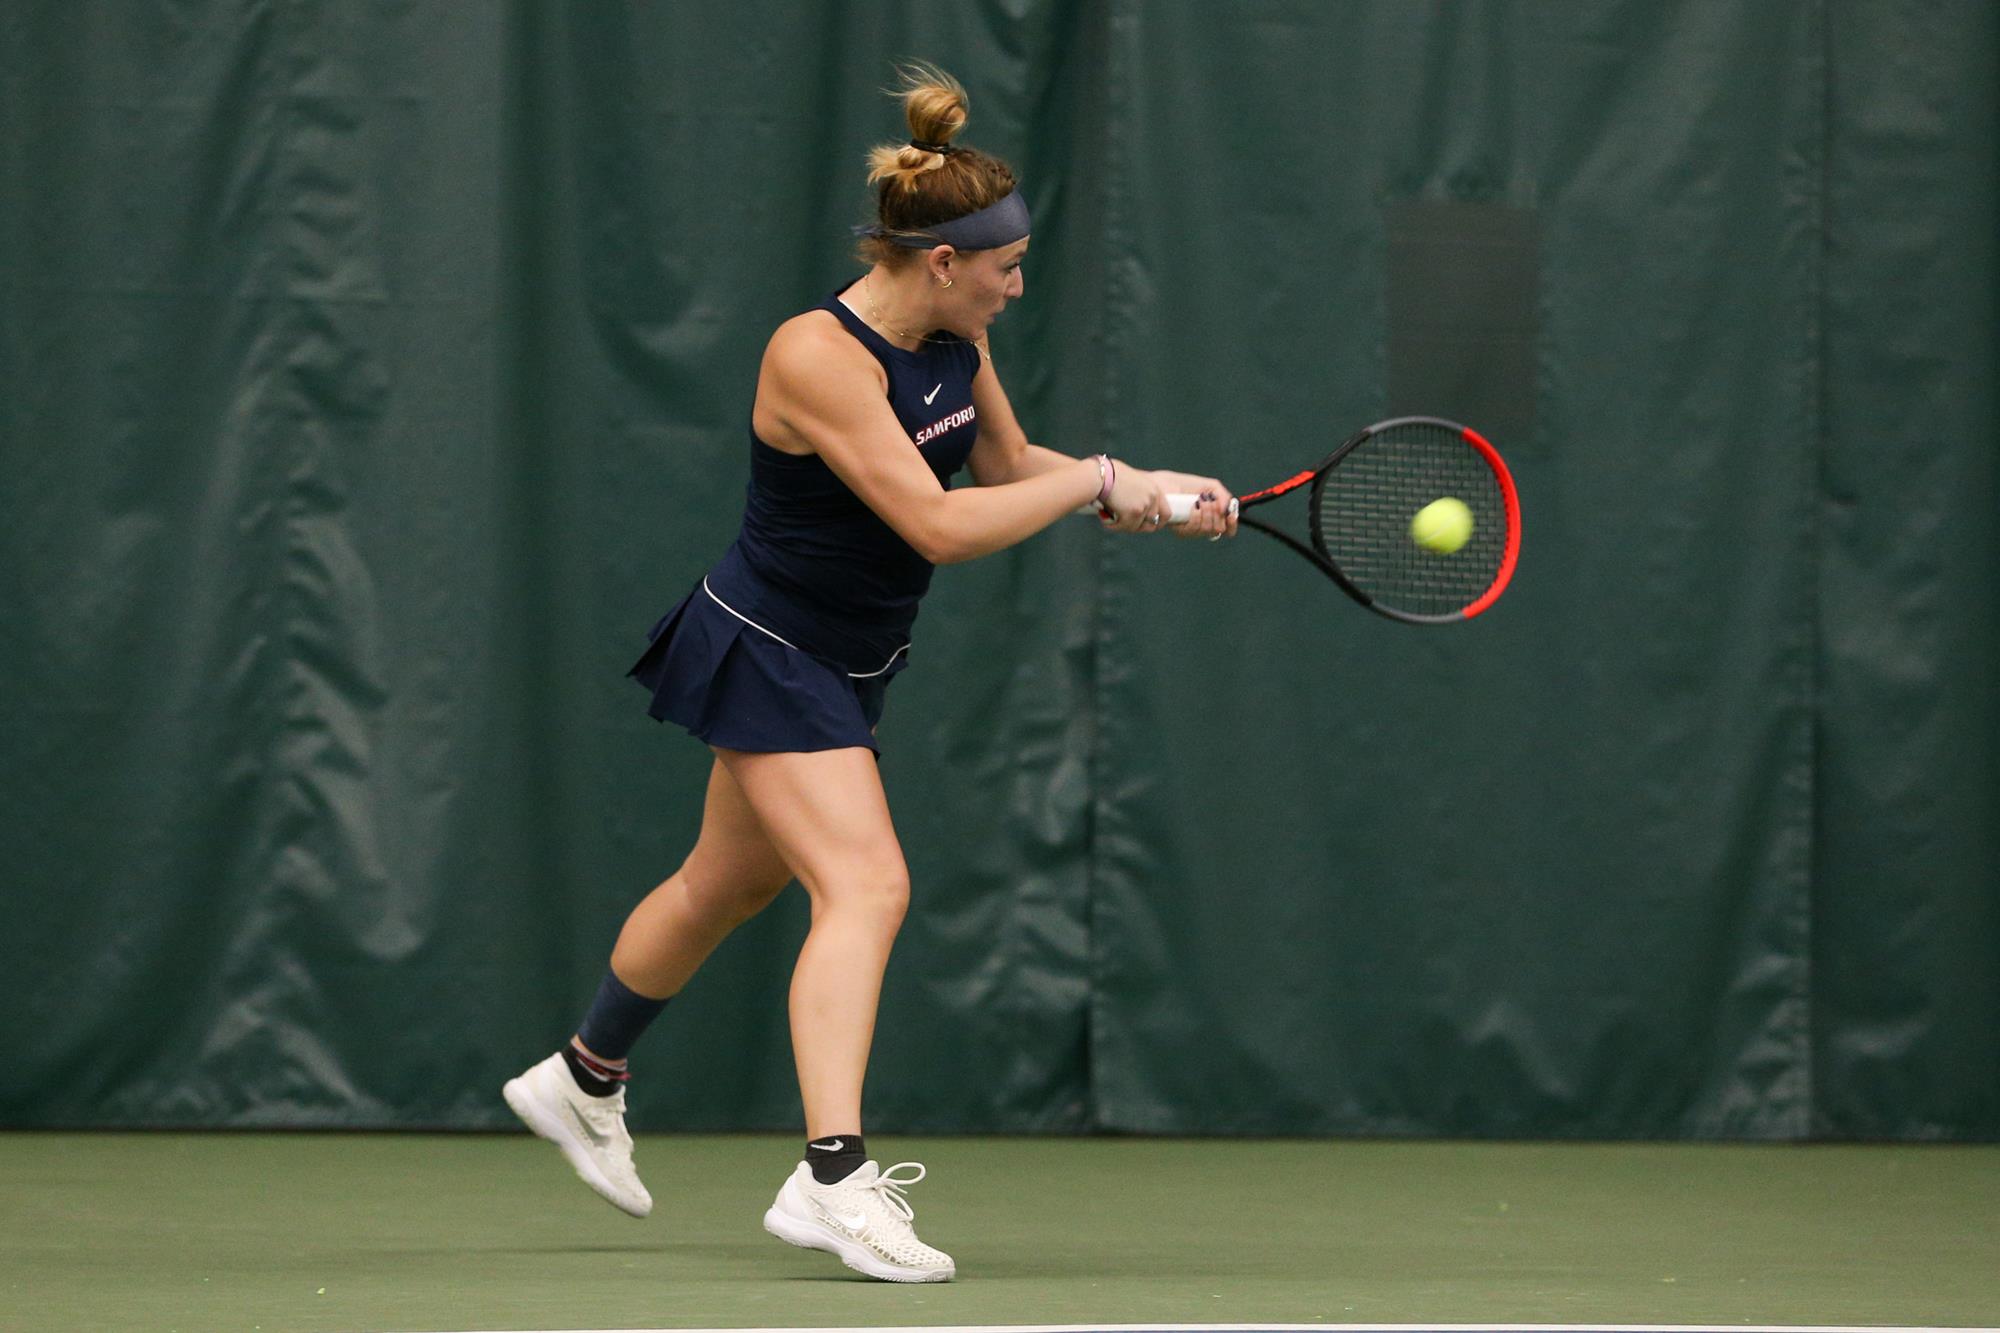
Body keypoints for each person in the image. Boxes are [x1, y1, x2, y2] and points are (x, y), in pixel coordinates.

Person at [503, 63, 1237, 1284]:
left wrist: (1151, 493)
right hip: (768, 647)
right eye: (1001, 265)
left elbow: (1006, 469)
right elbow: (938, 526)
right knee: (867, 885)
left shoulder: (957, 338)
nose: (1015, 282)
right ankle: (830, 1175)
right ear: (938, 259)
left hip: (850, 659)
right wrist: (1099, 478)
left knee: (723, 885)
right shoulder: (817, 356)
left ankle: (581, 1076)